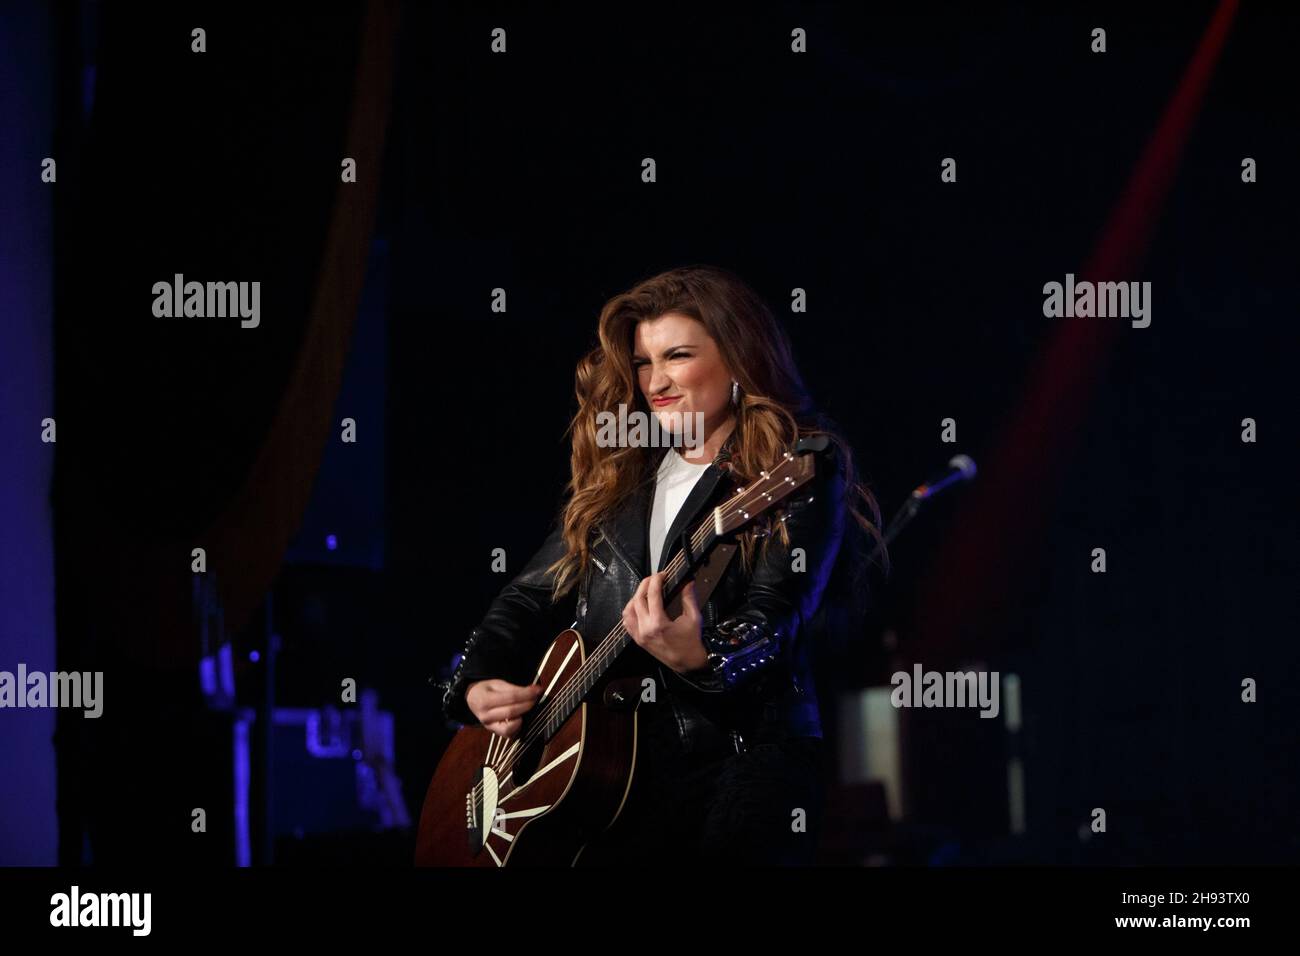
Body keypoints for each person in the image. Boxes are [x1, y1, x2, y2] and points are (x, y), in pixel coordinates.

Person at [440, 264, 884, 865]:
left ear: (738, 358)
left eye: (677, 355)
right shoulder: (620, 486)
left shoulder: (793, 470)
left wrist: (707, 656)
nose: (656, 381)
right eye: (644, 362)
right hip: (618, 777)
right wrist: (473, 682)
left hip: (742, 758)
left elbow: (780, 615)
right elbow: (524, 598)